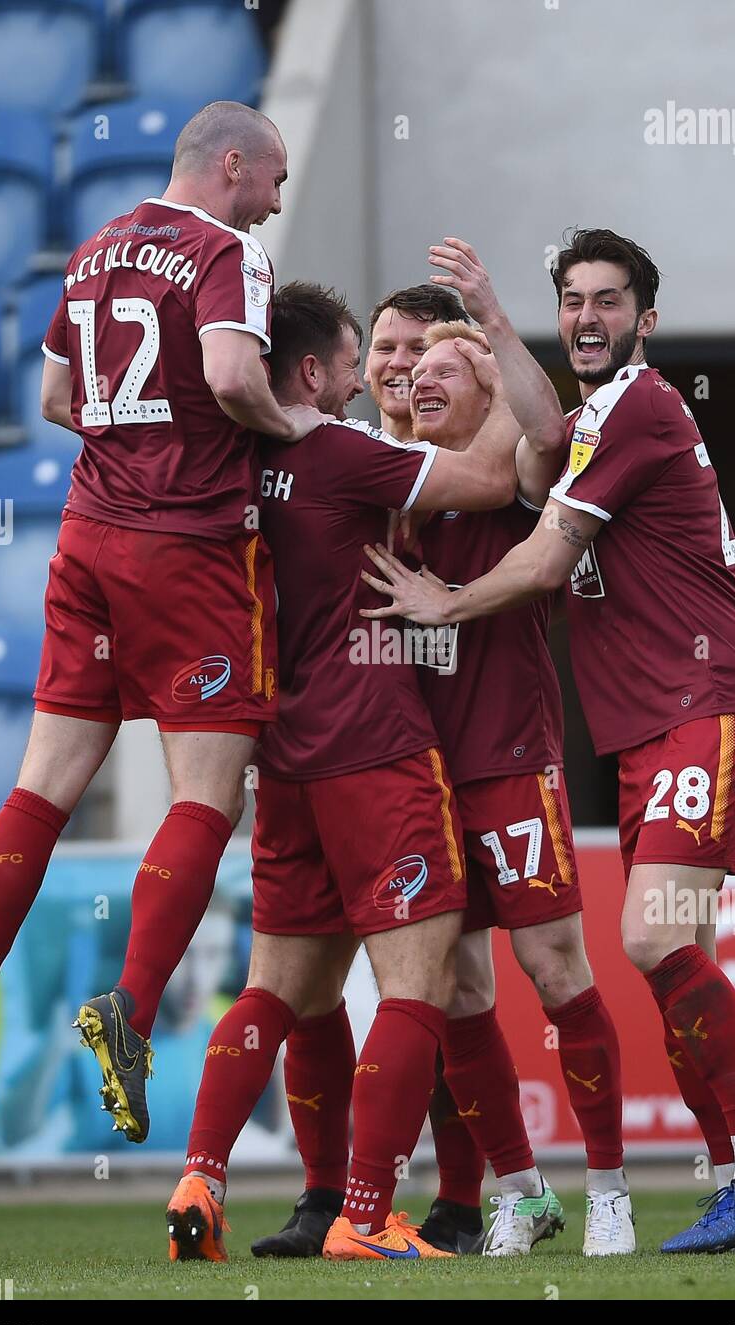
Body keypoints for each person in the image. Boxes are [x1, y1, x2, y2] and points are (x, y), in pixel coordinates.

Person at [361, 230, 735, 1254]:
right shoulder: (592, 418)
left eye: (607, 302)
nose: (587, 319)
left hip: (709, 704)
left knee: (649, 938)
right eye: (571, 302)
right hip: (648, 730)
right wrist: (487, 309)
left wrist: (446, 601)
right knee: (677, 953)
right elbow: (539, 420)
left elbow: (543, 556)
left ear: (645, 319)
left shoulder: (642, 408)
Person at [0, 101, 324, 1146]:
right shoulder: (228, 253)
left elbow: (57, 396)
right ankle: (131, 1009)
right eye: (273, 180)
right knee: (205, 796)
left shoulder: (94, 248)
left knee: (42, 782)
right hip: (188, 550)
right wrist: (293, 439)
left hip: (86, 539)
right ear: (230, 165)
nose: (277, 200)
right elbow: (238, 377)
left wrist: (134, 435)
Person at [258, 301, 631, 1260]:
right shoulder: (382, 478)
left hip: (506, 757)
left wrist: (495, 327)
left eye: (440, 368)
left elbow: (547, 430)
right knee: (456, 991)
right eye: (400, 363)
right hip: (415, 776)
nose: (415, 378)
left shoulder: (513, 475)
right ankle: (520, 1191)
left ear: (486, 389)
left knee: (554, 972)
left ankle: (611, 1191)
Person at [164, 280, 520, 1262]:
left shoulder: (229, 461)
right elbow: (492, 480)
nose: (377, 380)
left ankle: (200, 1176)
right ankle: (364, 1215)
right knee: (419, 983)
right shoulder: (337, 452)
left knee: (273, 986)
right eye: (362, 359)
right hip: (375, 746)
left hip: (276, 759)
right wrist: (490, 369)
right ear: (316, 370)